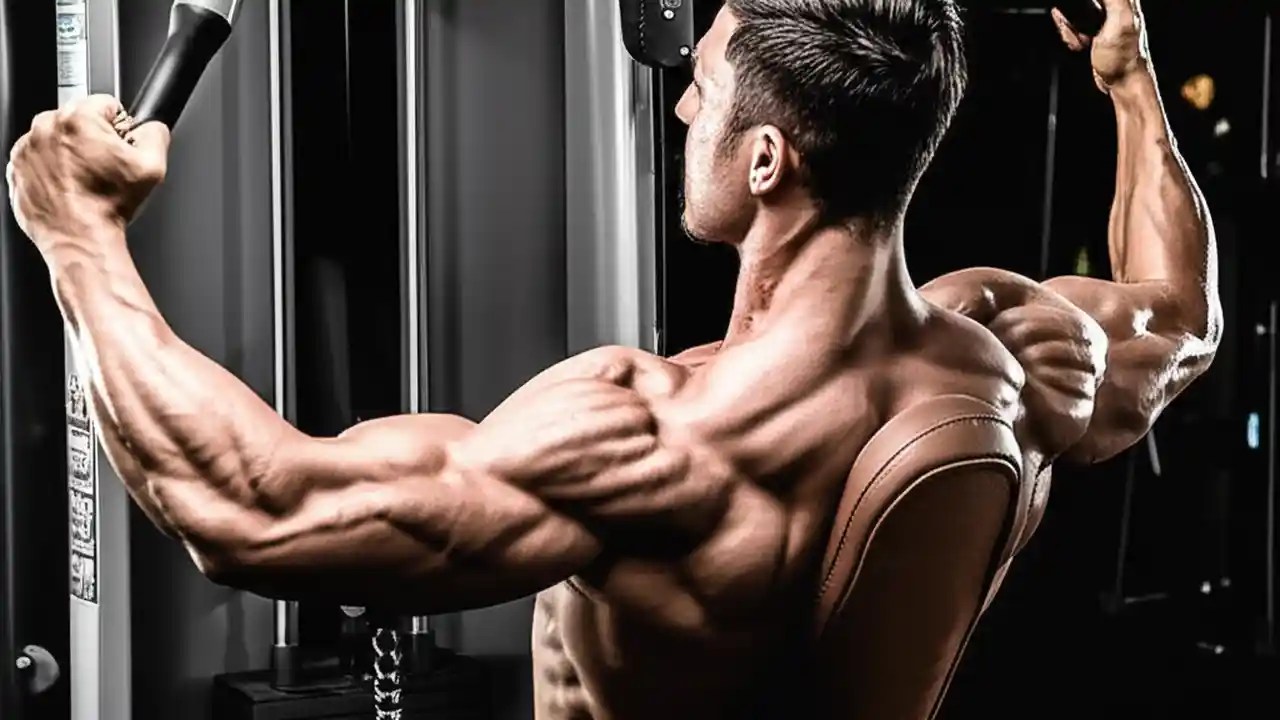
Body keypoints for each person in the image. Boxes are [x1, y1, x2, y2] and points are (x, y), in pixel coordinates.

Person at [6, 0, 1218, 717]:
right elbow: (1180, 317)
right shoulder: (1011, 352)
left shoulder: (659, 439)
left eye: (699, 92)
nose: (684, 113)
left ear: (765, 163)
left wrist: (80, 237)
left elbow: (250, 511)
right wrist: (1126, 81)